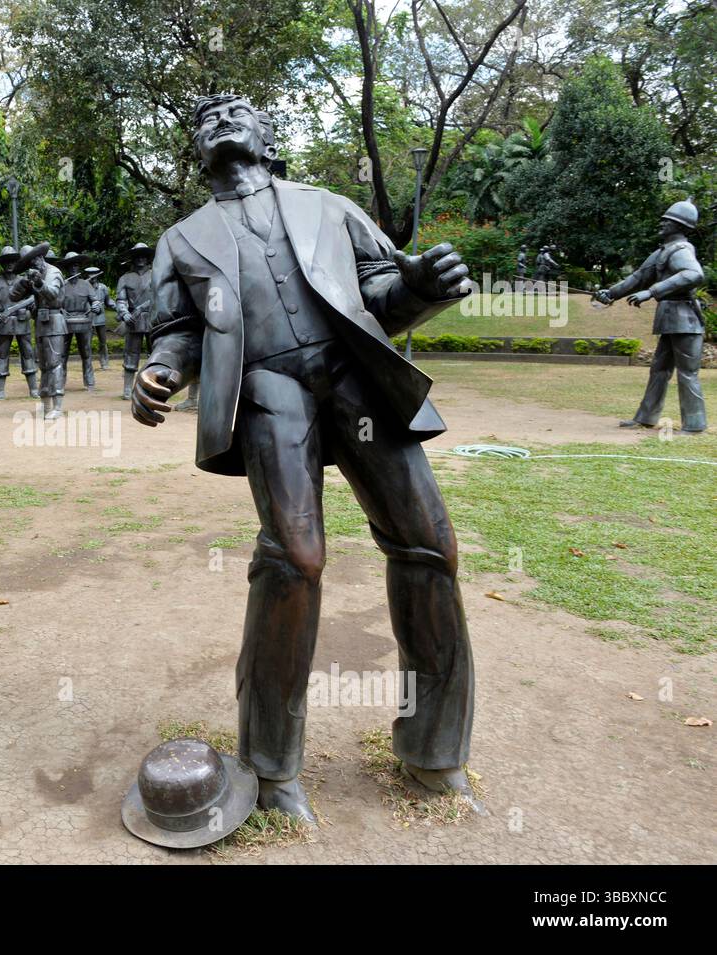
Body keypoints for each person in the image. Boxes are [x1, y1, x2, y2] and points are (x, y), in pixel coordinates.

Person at [131, 93, 478, 825]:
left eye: (237, 112)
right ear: (195, 152)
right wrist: (161, 369)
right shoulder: (183, 239)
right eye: (204, 119)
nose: (221, 121)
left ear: (267, 135)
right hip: (267, 389)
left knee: (431, 545)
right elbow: (179, 329)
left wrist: (418, 287)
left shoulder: (328, 206)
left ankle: (433, 749)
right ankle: (270, 764)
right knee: (295, 560)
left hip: (356, 381)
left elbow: (379, 293)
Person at [595, 198, 707, 434]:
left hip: (686, 319)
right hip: (670, 319)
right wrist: (611, 293)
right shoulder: (662, 252)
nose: (662, 222)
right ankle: (646, 416)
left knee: (687, 373)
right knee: (659, 369)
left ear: (679, 226)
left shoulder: (681, 250)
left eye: (668, 220)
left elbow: (694, 274)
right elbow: (637, 277)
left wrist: (652, 291)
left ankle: (695, 424)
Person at [10, 243, 67, 419]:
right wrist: (23, 283)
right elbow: (12, 296)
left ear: (40, 257)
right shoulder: (32, 275)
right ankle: (45, 403)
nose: (33, 265)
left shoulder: (53, 272)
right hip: (41, 323)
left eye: (34, 260)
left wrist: (40, 283)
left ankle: (57, 406)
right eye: (29, 264)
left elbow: (53, 294)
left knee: (55, 363)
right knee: (43, 365)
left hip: (55, 321)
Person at [0, 245, 37, 400]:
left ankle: (33, 389)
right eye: (6, 261)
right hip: (3, 323)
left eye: (13, 261)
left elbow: (34, 304)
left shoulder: (25, 281)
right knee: (1, 356)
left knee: (28, 354)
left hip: (22, 323)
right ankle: (0, 390)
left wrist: (28, 312)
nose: (9, 264)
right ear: (1, 263)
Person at [115, 242, 155, 398]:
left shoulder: (156, 275)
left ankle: (153, 386)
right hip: (133, 320)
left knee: (154, 354)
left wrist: (143, 307)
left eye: (143, 256)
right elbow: (120, 299)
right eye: (137, 256)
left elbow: (160, 295)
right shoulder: (125, 278)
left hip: (152, 318)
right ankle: (127, 388)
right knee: (131, 354)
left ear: (147, 258)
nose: (140, 259)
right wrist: (124, 313)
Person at [59, 252, 96, 390]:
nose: (73, 268)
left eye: (76, 265)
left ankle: (89, 382)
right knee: (62, 353)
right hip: (65, 322)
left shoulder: (86, 285)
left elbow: (95, 300)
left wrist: (96, 305)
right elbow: (55, 303)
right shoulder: (62, 285)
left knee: (86, 352)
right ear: (67, 268)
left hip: (83, 321)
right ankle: (60, 382)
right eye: (70, 265)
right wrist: (60, 310)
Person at [84, 266, 114, 370]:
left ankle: (104, 362)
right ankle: (87, 363)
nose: (92, 276)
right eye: (90, 274)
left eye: (94, 273)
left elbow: (108, 301)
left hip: (100, 318)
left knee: (103, 342)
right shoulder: (83, 287)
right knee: (87, 342)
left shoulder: (103, 287)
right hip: (88, 318)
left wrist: (119, 307)